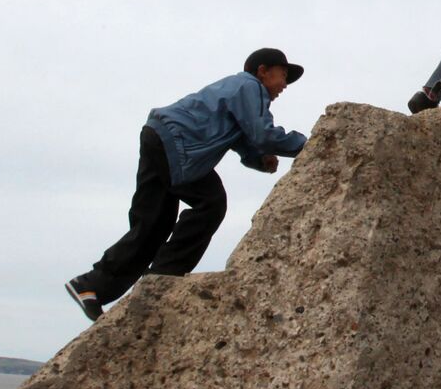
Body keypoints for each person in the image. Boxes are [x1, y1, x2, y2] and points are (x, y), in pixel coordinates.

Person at [63, 48, 309, 322]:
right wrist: (309, 145)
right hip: (179, 147)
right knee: (211, 202)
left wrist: (260, 160)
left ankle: (91, 285)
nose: (285, 85)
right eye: (283, 75)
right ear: (262, 71)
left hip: (158, 136)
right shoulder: (249, 87)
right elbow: (262, 133)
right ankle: (161, 280)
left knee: (153, 223)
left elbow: (245, 140)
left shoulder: (234, 90)